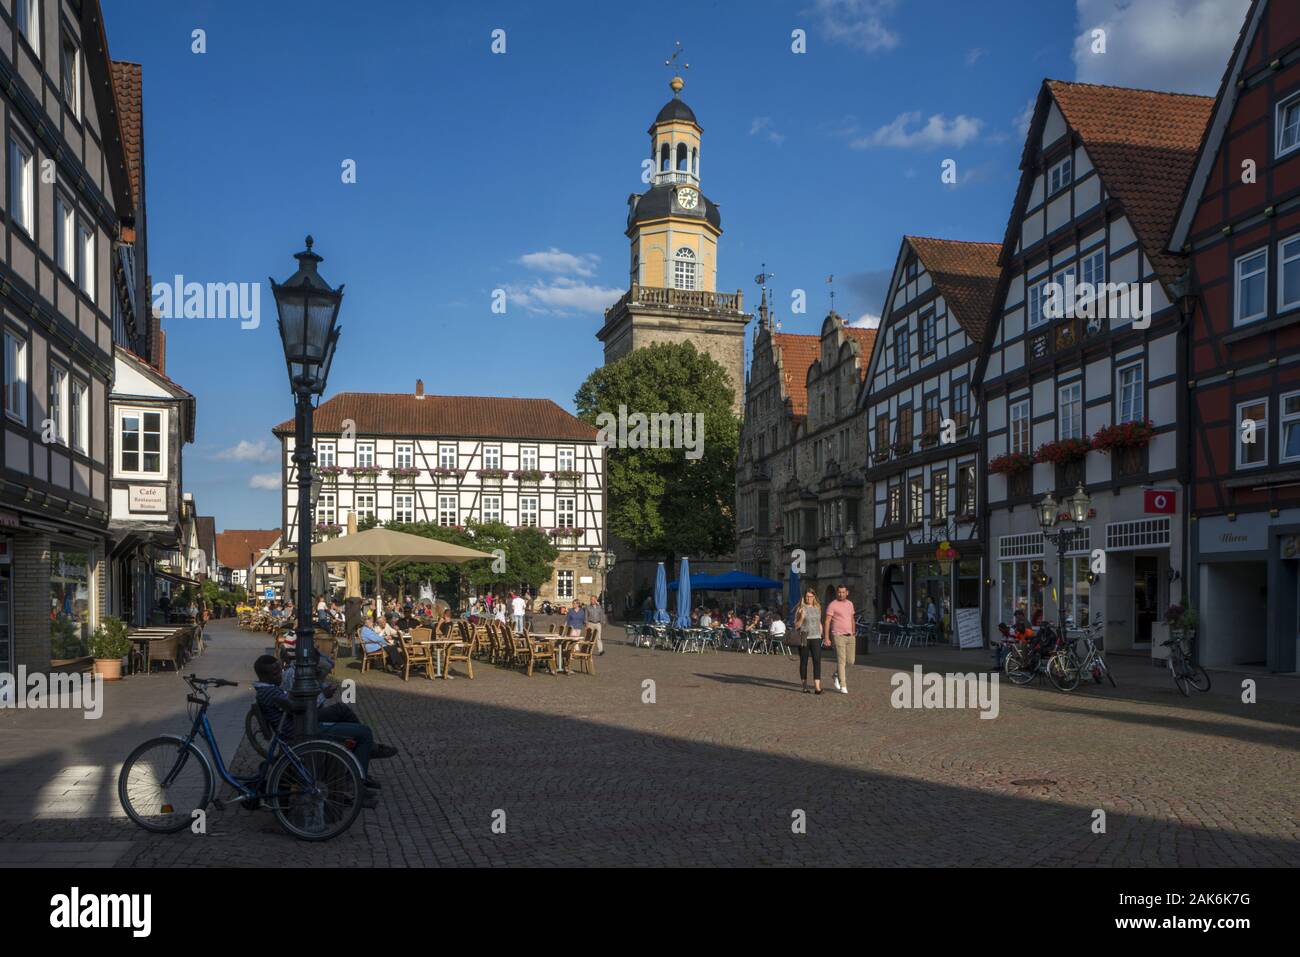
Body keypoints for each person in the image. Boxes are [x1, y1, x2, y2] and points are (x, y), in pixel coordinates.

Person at [252, 655, 395, 801]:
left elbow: (293, 704)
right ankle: (357, 782)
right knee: (364, 733)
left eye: (279, 670)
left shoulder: (267, 689)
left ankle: (363, 761)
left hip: (303, 727)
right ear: (264, 676)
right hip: (304, 733)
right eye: (276, 673)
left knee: (347, 717)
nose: (280, 675)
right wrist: (322, 695)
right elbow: (300, 709)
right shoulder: (269, 692)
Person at [825, 585, 856, 695]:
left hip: (850, 636)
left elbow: (852, 618)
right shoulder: (832, 605)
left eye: (843, 592)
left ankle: (836, 675)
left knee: (850, 661)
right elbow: (827, 621)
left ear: (847, 592)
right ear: (836, 593)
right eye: (839, 592)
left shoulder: (850, 604)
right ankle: (843, 685)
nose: (841, 594)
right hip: (838, 636)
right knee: (841, 661)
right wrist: (827, 637)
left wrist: (853, 632)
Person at [794, 589, 824, 694]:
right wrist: (802, 617)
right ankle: (805, 686)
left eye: (811, 596)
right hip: (804, 637)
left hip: (816, 637)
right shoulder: (800, 608)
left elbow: (819, 622)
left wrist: (821, 632)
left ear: (814, 597)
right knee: (804, 662)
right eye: (807, 596)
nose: (809, 598)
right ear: (804, 597)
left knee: (817, 661)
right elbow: (796, 626)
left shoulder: (818, 608)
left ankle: (817, 687)